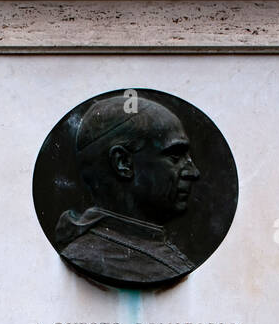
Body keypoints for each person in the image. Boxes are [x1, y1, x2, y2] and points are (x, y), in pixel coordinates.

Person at [55, 94, 200, 285]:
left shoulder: (150, 249)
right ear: (123, 162)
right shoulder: (90, 258)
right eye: (175, 156)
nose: (193, 172)